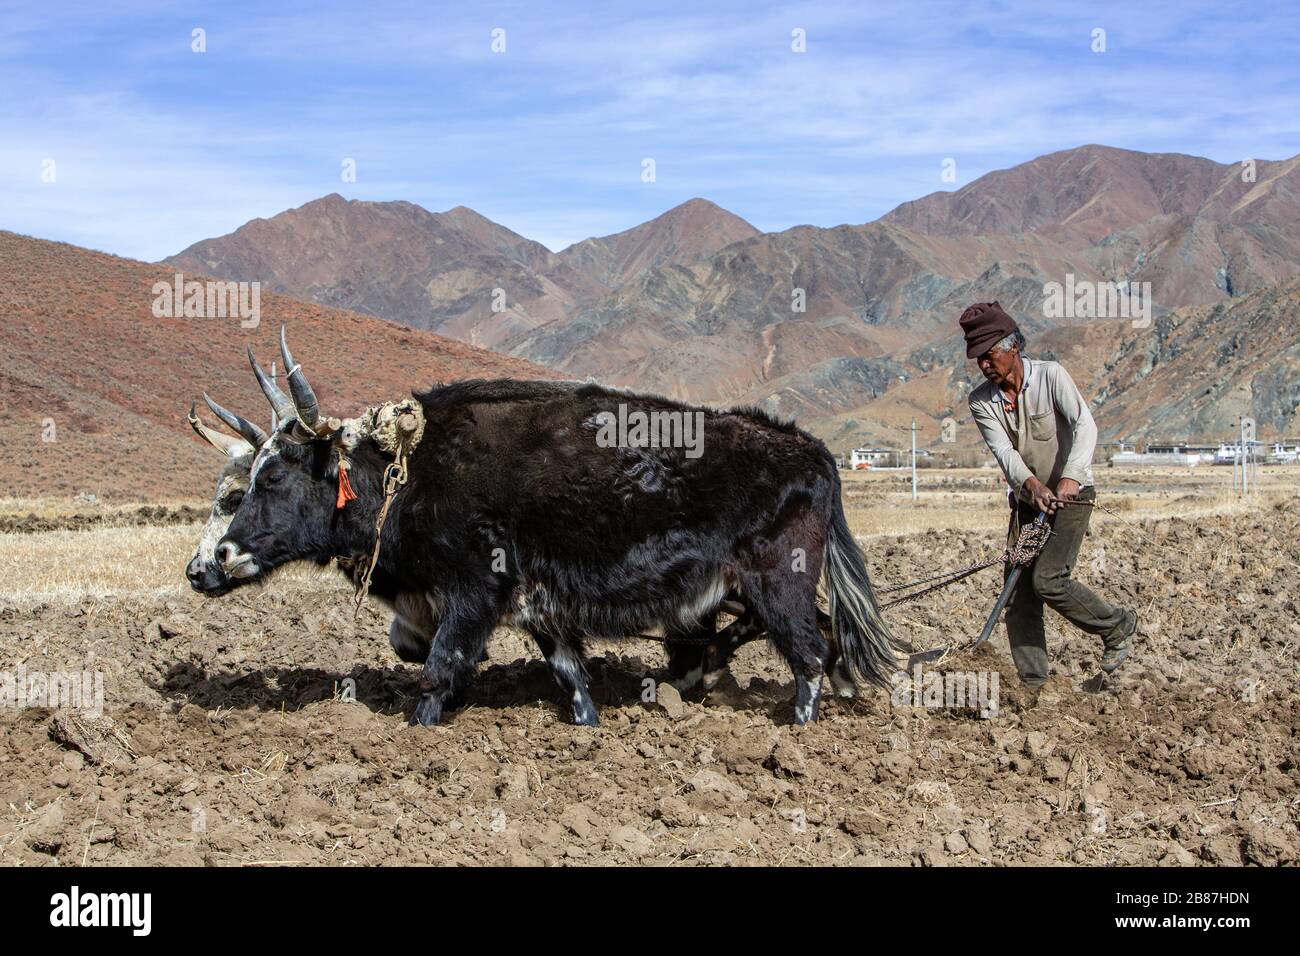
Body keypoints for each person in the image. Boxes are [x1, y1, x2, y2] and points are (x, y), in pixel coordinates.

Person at [960, 301, 1136, 687]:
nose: (986, 366)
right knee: (1019, 596)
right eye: (979, 360)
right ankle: (1033, 683)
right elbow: (1004, 452)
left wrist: (1070, 477)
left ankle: (1118, 625)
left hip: (1073, 495)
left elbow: (1084, 424)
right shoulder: (981, 401)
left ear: (1013, 347)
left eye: (990, 356)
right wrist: (1032, 487)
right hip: (1029, 500)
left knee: (1049, 580)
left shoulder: (1051, 376)